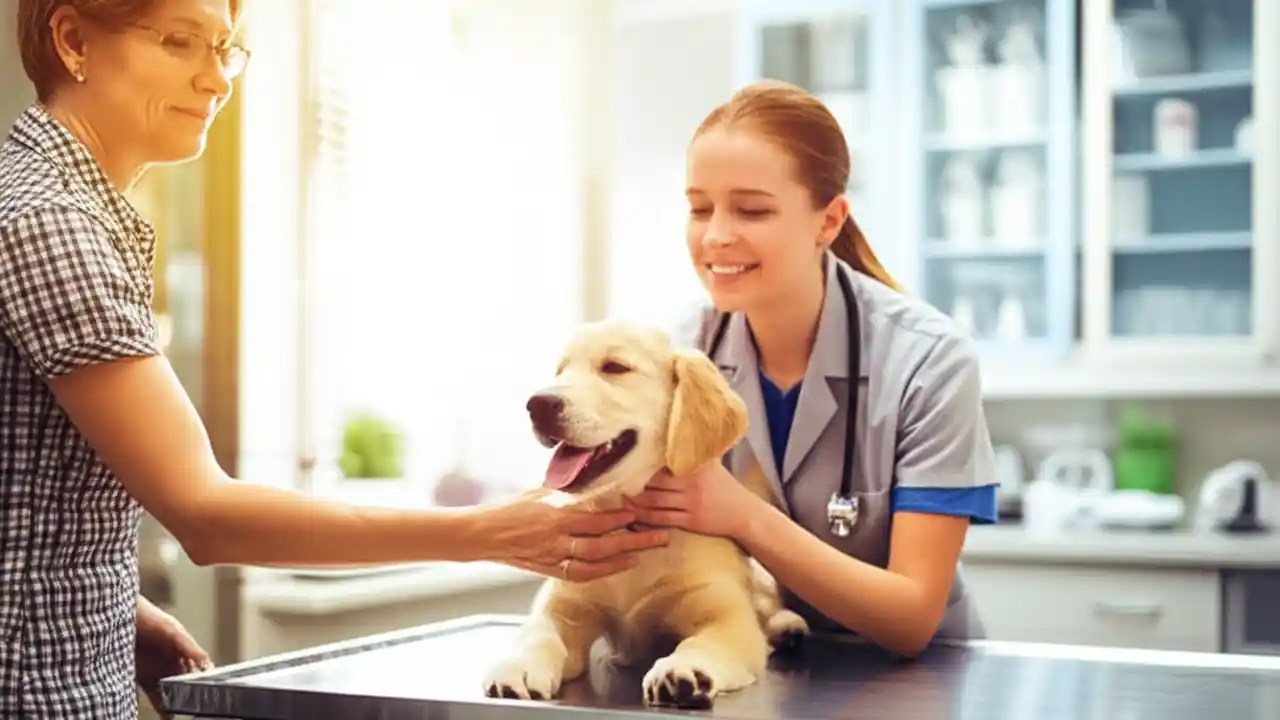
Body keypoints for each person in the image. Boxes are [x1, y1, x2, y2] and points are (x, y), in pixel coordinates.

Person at [0, 1, 666, 717]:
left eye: (225, 48)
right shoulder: (53, 224)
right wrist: (486, 531)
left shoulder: (56, 206)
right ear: (72, 41)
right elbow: (204, 514)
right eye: (181, 42)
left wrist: (113, 606)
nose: (217, 79)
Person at [627, 80, 999, 656]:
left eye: (751, 209)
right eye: (699, 208)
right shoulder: (676, 355)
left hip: (911, 685)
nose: (717, 235)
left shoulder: (929, 360)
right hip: (749, 668)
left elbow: (911, 616)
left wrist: (743, 516)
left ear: (828, 222)